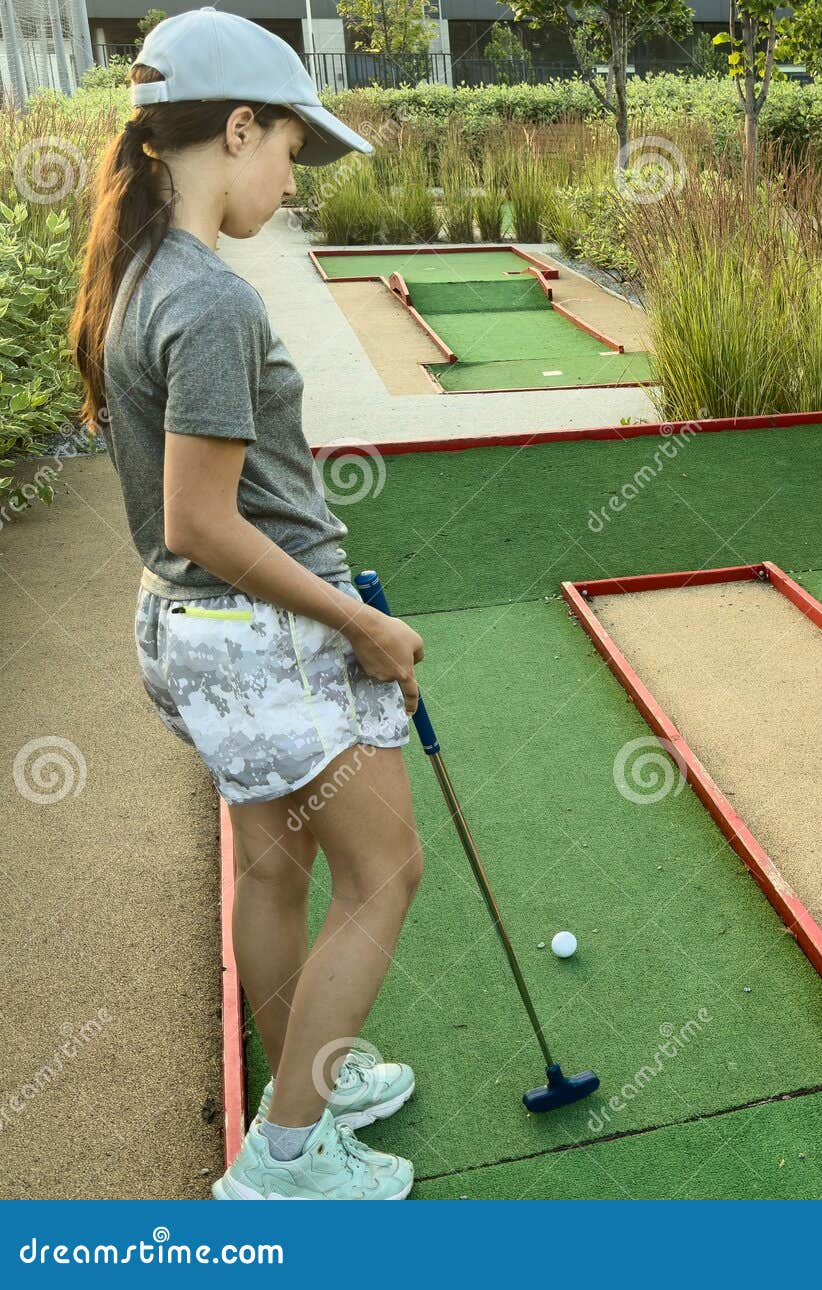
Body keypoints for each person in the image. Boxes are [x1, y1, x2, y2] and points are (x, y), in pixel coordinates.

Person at [69, 8, 425, 1199]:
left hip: (189, 632)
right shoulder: (211, 299)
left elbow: (184, 533)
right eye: (287, 148)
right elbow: (203, 521)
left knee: (272, 872)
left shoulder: (137, 269)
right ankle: (285, 1163)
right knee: (386, 874)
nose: (291, 175)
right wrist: (363, 623)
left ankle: (299, 1090)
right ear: (235, 128)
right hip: (266, 633)